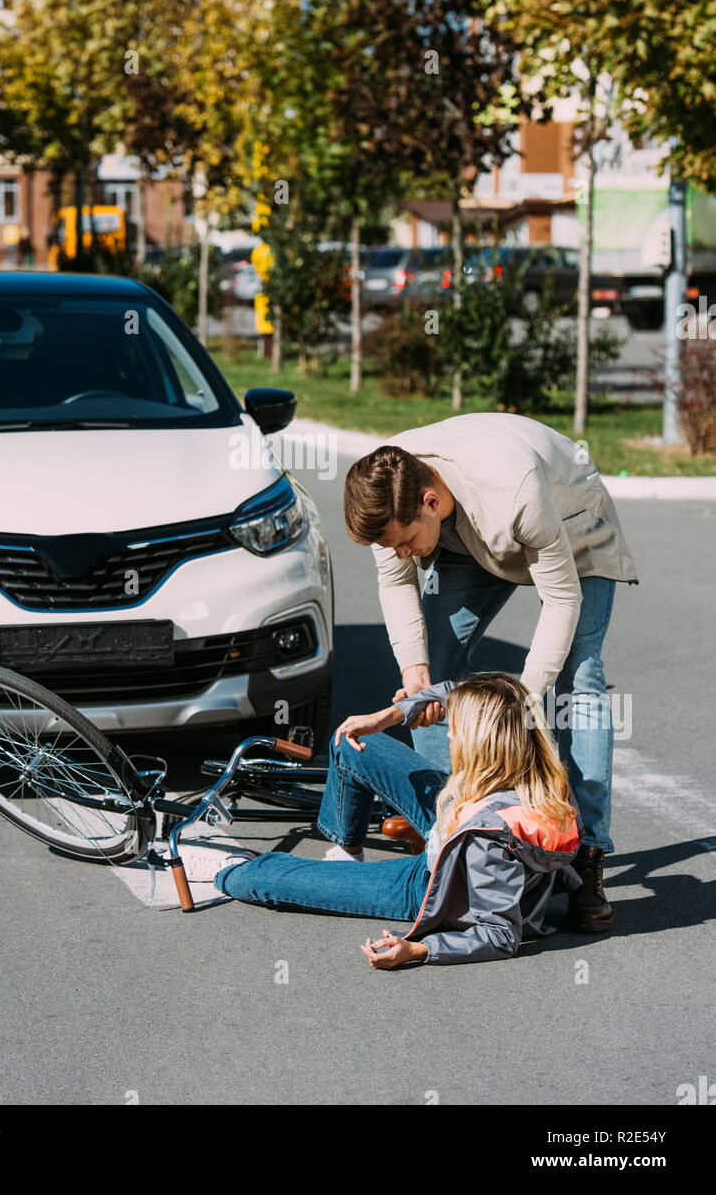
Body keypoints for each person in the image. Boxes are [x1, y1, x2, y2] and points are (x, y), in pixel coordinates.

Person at [341, 412, 638, 933]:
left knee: (579, 680)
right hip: (464, 537)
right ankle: (452, 826)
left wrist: (521, 698)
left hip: (568, 528)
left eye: (404, 540)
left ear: (430, 502)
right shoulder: (388, 485)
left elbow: (561, 598)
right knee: (434, 672)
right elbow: (397, 584)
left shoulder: (515, 489)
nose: (402, 554)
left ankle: (588, 854)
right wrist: (416, 677)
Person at [214, 672, 583, 968]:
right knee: (350, 739)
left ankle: (223, 866)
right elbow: (462, 688)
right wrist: (387, 718)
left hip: (432, 883)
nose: (450, 732)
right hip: (463, 820)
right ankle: (346, 853)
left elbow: (499, 935)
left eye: (458, 728)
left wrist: (419, 950)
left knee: (265, 880)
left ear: (480, 743)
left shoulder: (487, 839)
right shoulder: (541, 773)